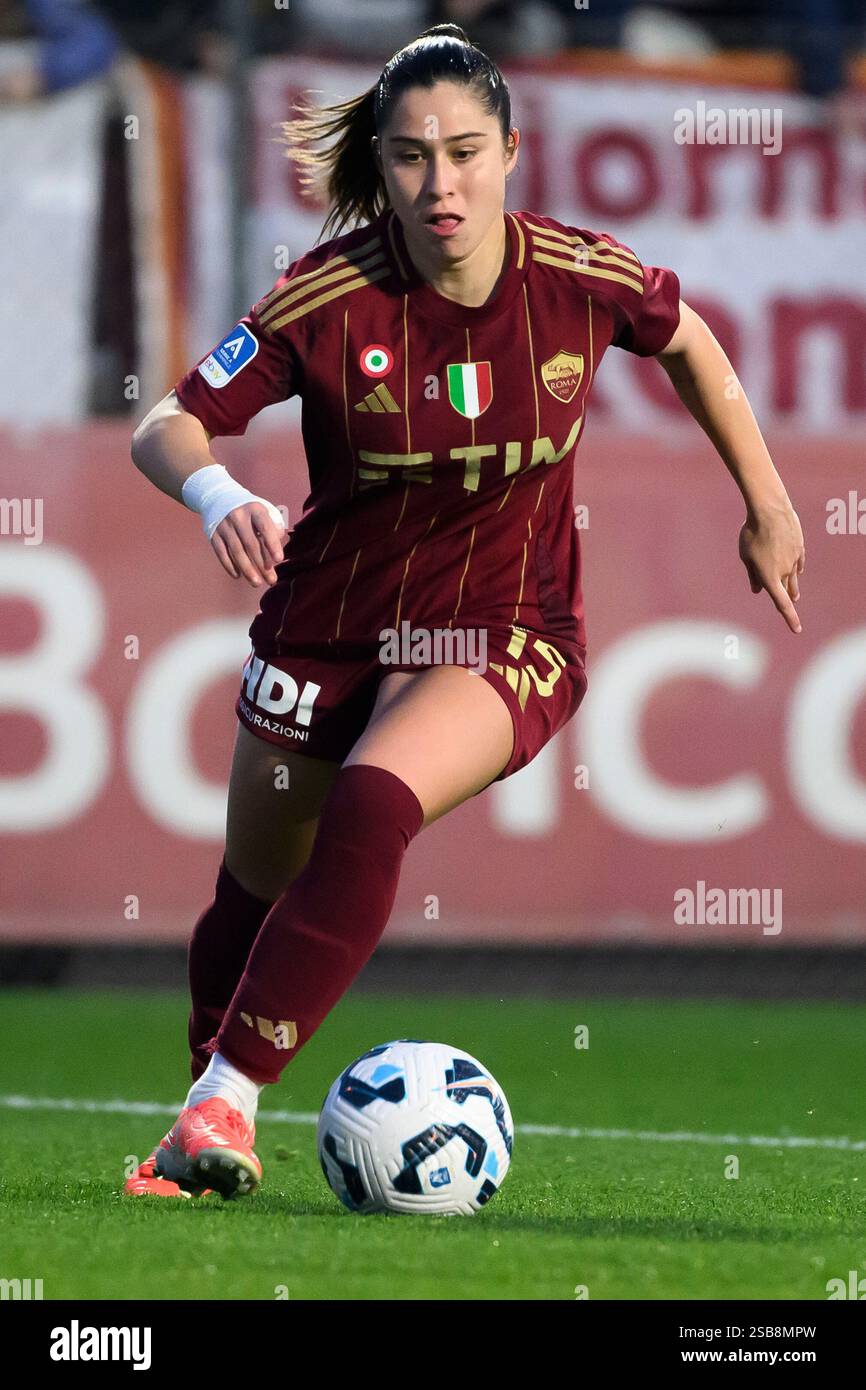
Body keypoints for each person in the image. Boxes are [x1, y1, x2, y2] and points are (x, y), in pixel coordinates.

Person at [126, 23, 805, 1200]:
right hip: (329, 622)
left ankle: (224, 1097)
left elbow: (688, 338)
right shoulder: (329, 295)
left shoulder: (578, 277)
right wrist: (216, 488)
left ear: (510, 153)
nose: (438, 184)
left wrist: (767, 498)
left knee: (373, 803)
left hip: (509, 626)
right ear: (378, 165)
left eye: (463, 152)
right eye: (407, 157)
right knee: (250, 892)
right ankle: (208, 1119)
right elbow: (166, 423)